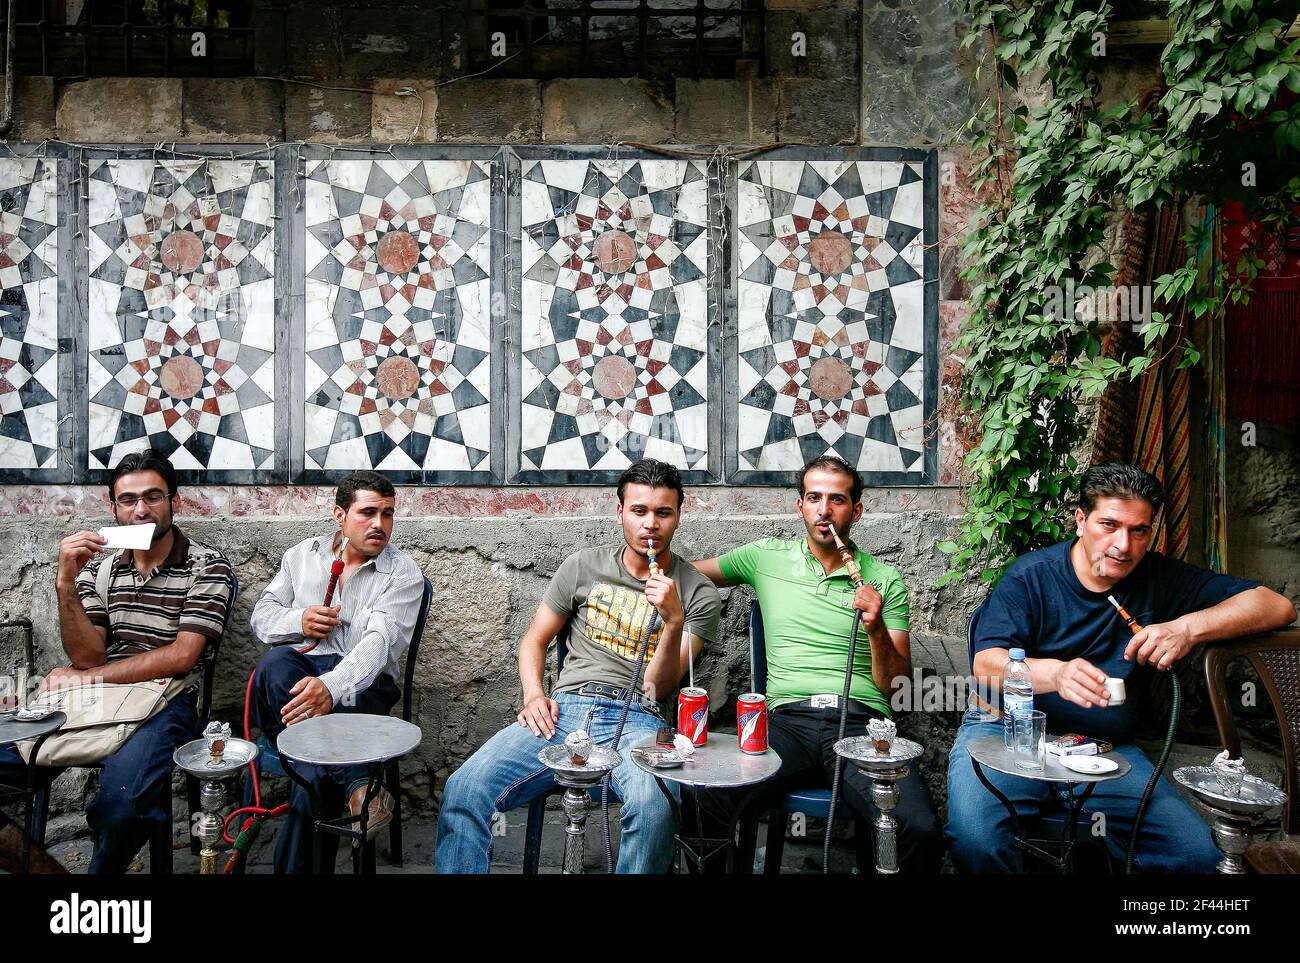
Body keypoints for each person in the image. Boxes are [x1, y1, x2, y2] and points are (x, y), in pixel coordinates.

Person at [945, 462, 1297, 873]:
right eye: (1108, 525)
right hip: (1008, 729)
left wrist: (1187, 628)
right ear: (1080, 520)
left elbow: (1277, 606)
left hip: (1104, 746)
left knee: (1197, 856)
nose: (1123, 546)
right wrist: (1055, 674)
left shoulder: (1161, 577)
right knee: (977, 840)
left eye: (1139, 531)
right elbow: (987, 667)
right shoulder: (1030, 578)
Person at [436, 458, 720, 873]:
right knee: (465, 789)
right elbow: (534, 640)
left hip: (640, 721)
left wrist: (674, 620)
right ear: (619, 511)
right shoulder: (582, 566)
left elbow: (657, 688)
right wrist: (534, 694)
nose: (651, 525)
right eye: (639, 511)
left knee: (655, 805)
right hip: (564, 711)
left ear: (679, 514)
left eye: (663, 512)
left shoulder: (698, 592)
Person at [691, 455, 943, 873]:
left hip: (862, 723)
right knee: (706, 795)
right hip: (785, 721)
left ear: (856, 511)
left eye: (837, 500)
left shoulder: (884, 579)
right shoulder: (765, 557)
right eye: (814, 498)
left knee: (916, 826)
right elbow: (689, 576)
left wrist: (877, 628)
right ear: (800, 506)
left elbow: (897, 689)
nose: (824, 510)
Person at [0, 447, 233, 874]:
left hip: (167, 700)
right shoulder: (99, 571)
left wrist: (82, 679)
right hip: (95, 696)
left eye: (153, 497)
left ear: (174, 502)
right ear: (113, 507)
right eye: (128, 500)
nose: (141, 510)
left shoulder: (206, 566)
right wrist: (66, 580)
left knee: (122, 806)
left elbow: (182, 658)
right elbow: (87, 654)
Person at [249, 470, 425, 874]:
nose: (379, 524)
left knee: (311, 779)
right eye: (367, 513)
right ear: (339, 514)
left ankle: (321, 776)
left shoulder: (402, 573)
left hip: (361, 688)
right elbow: (262, 618)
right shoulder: (301, 557)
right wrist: (300, 620)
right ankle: (357, 785)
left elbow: (378, 645)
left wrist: (331, 686)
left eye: (388, 514)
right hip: (294, 686)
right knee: (274, 664)